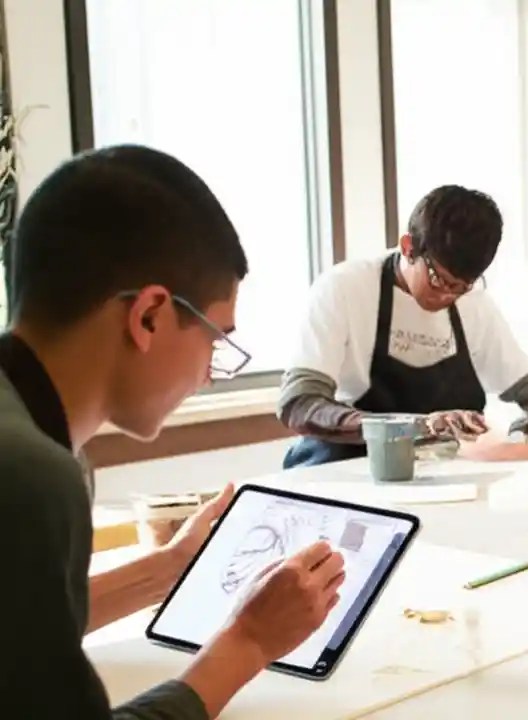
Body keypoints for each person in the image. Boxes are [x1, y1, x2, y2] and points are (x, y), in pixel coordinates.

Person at [1, 145, 346, 718]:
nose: (208, 374)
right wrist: (250, 641)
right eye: (215, 337)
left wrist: (165, 571)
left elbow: (21, 622)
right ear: (150, 316)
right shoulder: (30, 475)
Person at [279, 185, 528, 467]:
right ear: (408, 247)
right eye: (439, 280)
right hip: (346, 469)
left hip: (437, 477)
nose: (448, 296)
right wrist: (413, 428)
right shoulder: (344, 288)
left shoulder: (474, 304)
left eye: (462, 287)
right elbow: (299, 404)